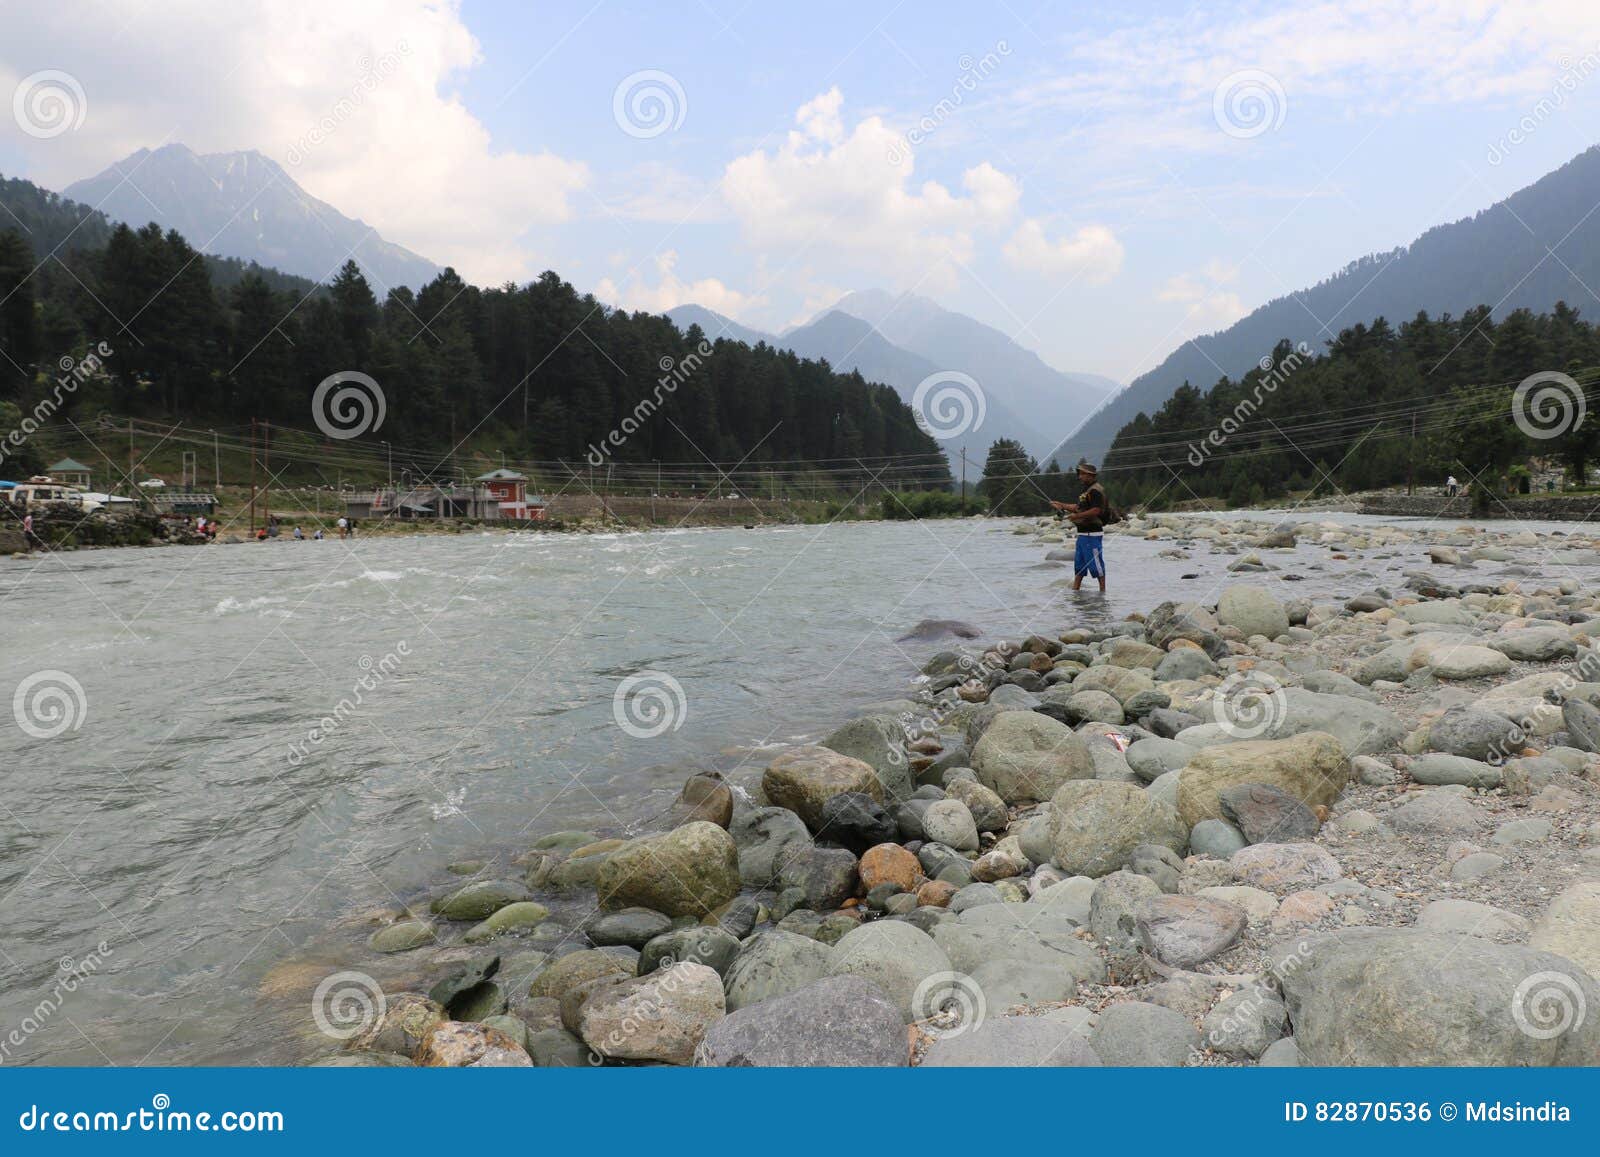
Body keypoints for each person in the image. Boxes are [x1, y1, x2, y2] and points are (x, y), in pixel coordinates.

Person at [1060, 461, 1108, 592]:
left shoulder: (1096, 490)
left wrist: (1076, 516)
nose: (1079, 477)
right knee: (1079, 566)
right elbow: (1078, 507)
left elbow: (1096, 510)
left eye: (1082, 474)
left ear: (1090, 475)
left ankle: (1103, 592)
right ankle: (1075, 591)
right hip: (1082, 534)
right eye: (1079, 474)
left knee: (1096, 566)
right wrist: (1061, 505)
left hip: (1092, 534)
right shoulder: (1086, 490)